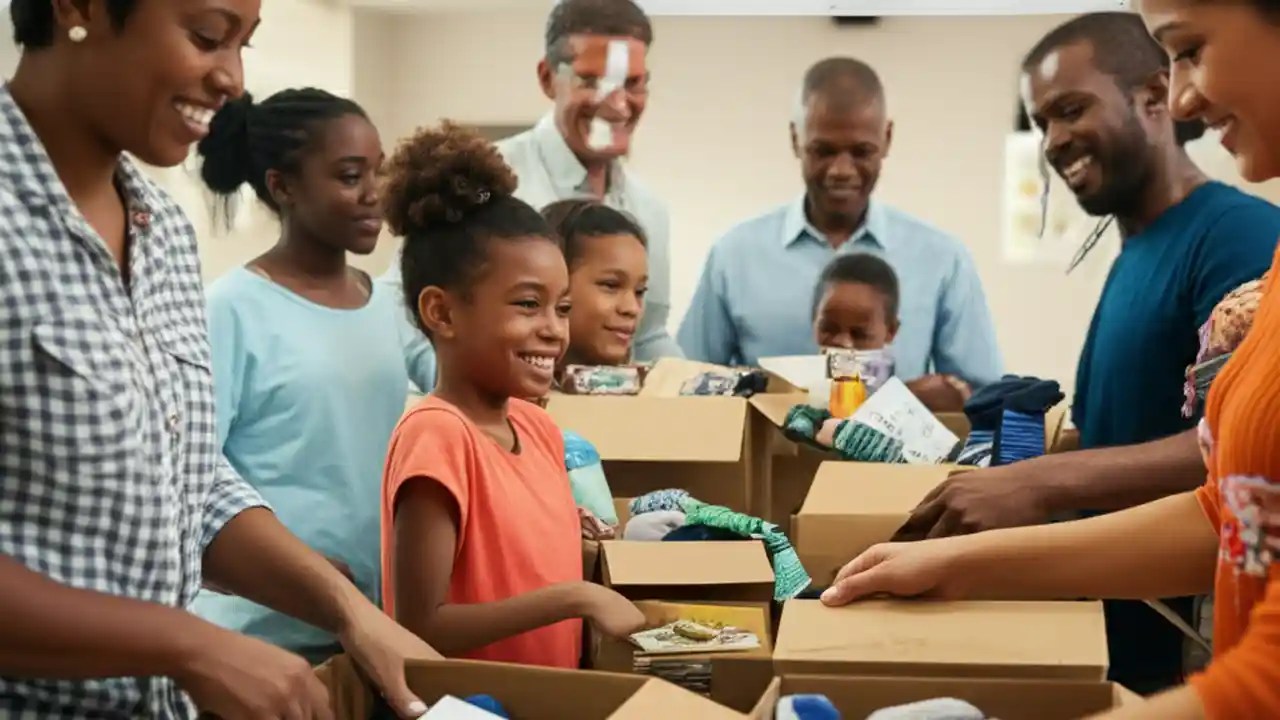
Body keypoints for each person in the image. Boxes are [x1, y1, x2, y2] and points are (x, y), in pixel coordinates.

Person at [823, 3, 1280, 715]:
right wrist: (966, 543)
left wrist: (1046, 482)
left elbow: (1227, 469)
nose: (1055, 140)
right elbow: (1226, 499)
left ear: (1152, 100)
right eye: (1040, 123)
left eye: (1070, 109)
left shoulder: (1236, 233)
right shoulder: (1140, 251)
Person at [0, 1, 438, 718]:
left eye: (244, 45)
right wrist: (187, 643)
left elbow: (187, 481)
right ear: (76, 7)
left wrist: (349, 612)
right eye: (207, 37)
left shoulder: (162, 232)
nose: (233, 79)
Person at [378, 122, 645, 667]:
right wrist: (576, 597)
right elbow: (419, 623)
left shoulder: (539, 428)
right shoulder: (437, 435)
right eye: (528, 305)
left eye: (562, 308)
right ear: (442, 312)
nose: (554, 330)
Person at [188, 88, 437, 665]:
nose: (375, 193)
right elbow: (192, 476)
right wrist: (298, 570)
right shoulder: (230, 310)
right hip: (262, 638)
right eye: (351, 176)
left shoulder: (390, 308)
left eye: (379, 171)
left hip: (372, 630)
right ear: (283, 186)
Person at [678, 56, 1002, 408]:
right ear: (795, 139)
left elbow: (985, 396)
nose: (842, 170)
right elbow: (687, 382)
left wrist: (932, 398)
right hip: (767, 462)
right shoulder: (734, 256)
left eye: (862, 152)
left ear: (887, 138)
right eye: (824, 151)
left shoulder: (942, 259)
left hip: (891, 463)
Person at [379, 0, 680, 363]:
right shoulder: (483, 182)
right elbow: (400, 308)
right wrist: (474, 396)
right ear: (547, 78)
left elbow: (648, 339)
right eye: (593, 82)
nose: (617, 105)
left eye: (632, 84)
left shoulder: (649, 210)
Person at [811, 252, 969, 412]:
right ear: (814, 322)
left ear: (891, 331)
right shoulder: (796, 394)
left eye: (859, 334)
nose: (843, 343)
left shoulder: (916, 399)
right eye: (829, 329)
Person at [542, 198, 648, 367]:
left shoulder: (655, 389)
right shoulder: (506, 390)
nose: (632, 308)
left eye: (640, 291)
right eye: (611, 285)